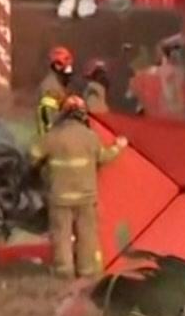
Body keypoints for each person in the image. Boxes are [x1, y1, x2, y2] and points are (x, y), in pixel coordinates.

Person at [31, 94, 129, 278]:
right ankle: (86, 272)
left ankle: (64, 272)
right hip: (86, 198)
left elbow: (33, 156)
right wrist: (119, 146)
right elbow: (104, 157)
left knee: (61, 236)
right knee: (87, 237)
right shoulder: (90, 137)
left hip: (59, 197)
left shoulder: (53, 136)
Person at [38, 45, 79, 135]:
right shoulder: (50, 87)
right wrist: (67, 108)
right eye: (67, 67)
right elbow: (50, 121)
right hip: (50, 141)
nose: (70, 71)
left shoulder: (61, 86)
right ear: (57, 66)